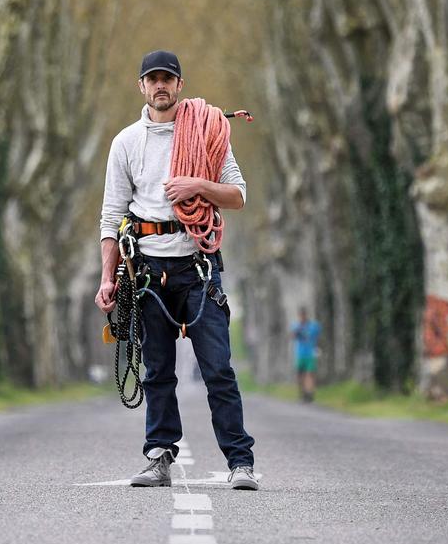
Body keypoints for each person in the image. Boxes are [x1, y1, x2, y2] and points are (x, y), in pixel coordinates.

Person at [96, 49, 258, 491]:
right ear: (142, 86)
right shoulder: (126, 143)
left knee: (218, 368)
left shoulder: (208, 131)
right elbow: (112, 216)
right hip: (145, 269)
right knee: (157, 370)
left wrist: (197, 186)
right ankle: (159, 456)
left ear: (180, 84)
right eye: (153, 79)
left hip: (199, 266)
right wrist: (108, 278)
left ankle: (240, 461)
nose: (160, 85)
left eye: (168, 78)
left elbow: (238, 195)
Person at [291, 307, 321, 403]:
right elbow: (292, 336)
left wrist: (317, 346)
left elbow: (318, 336)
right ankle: (303, 393)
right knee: (301, 375)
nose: (302, 317)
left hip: (310, 354)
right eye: (301, 316)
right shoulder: (296, 325)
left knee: (309, 374)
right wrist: (298, 329)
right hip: (300, 354)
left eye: (303, 315)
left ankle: (310, 394)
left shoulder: (313, 326)